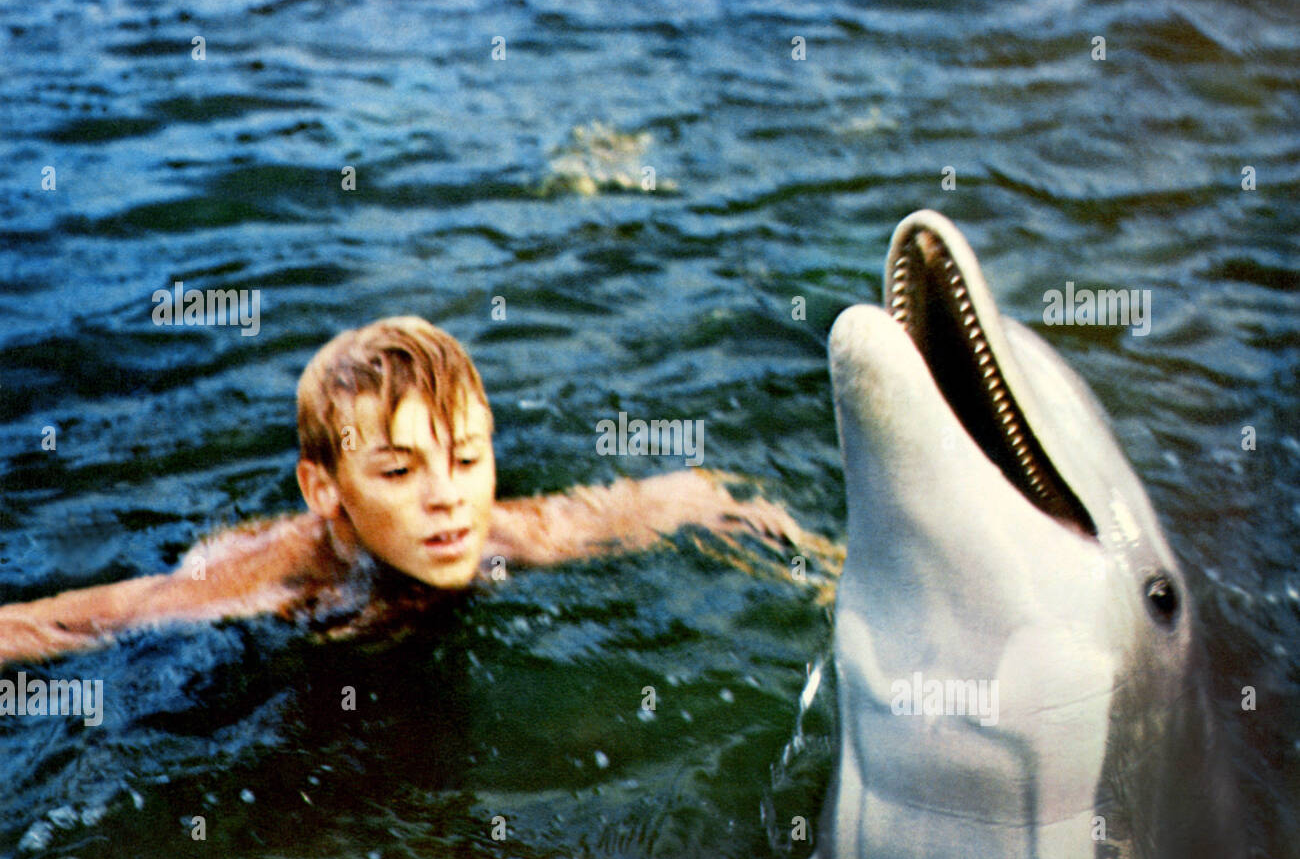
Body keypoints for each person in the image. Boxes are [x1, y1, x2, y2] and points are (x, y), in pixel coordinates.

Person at [0, 316, 833, 667]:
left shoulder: (505, 533)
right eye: (398, 471)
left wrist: (812, 558)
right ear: (324, 488)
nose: (449, 501)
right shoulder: (270, 577)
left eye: (467, 459)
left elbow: (683, 494)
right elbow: (72, 619)